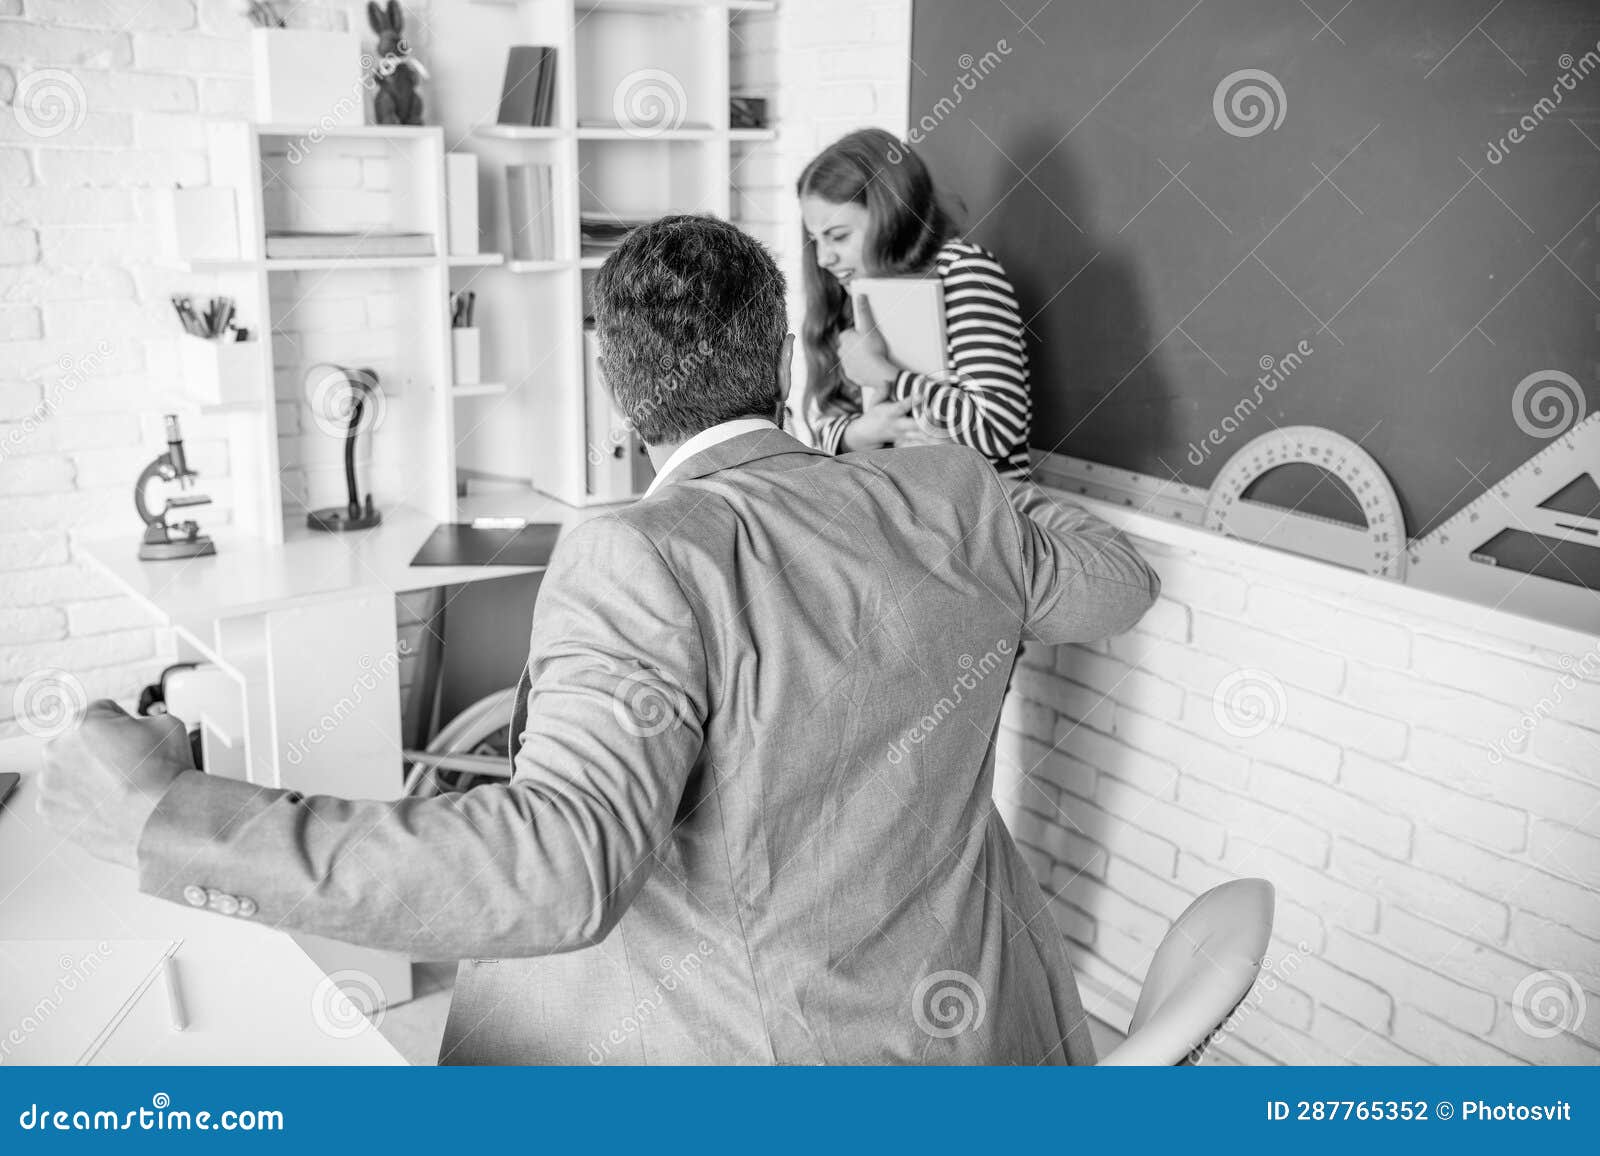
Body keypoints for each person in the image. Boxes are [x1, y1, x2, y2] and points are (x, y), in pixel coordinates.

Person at [39, 214, 1160, 1065]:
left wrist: (168, 818)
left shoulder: (641, 552)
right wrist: (951, 488)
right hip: (980, 1036)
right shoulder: (944, 501)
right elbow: (1118, 582)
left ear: (613, 384)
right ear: (777, 356)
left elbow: (563, 871)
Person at [799, 127, 1032, 477]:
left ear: (889, 217)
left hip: (977, 516)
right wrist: (861, 434)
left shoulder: (964, 271)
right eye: (815, 239)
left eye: (839, 236)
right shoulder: (848, 290)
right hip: (895, 510)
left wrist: (886, 376)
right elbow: (824, 429)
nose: (823, 258)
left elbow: (996, 429)